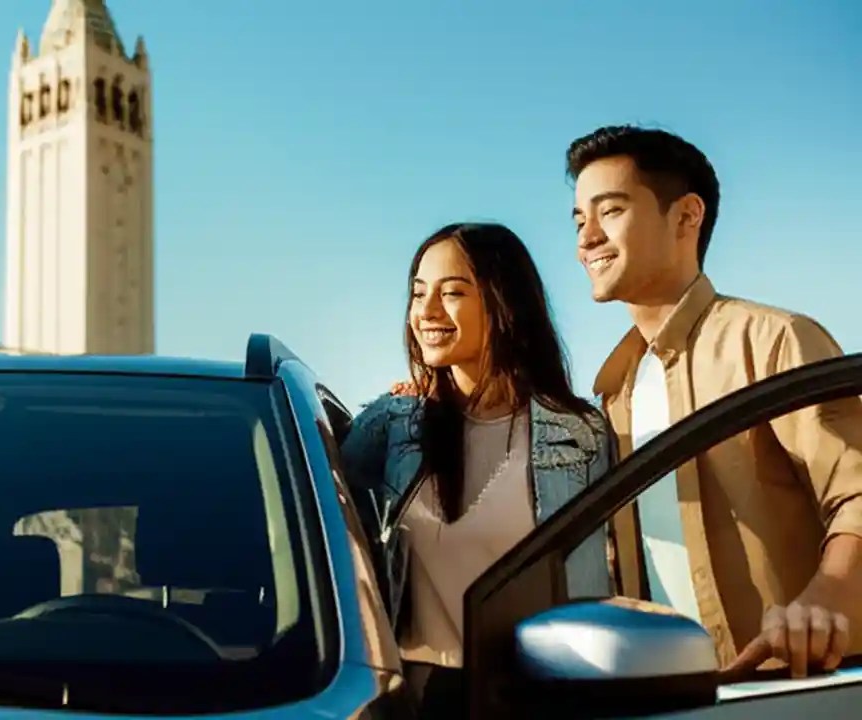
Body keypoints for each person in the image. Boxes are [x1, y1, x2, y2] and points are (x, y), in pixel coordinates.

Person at [568, 124, 862, 679]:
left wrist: (822, 602)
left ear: (686, 216)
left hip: (798, 690)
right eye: (579, 219)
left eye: (609, 211)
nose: (585, 239)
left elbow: (857, 494)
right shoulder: (613, 393)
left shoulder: (775, 341)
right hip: (668, 694)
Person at [339, 222, 616, 706]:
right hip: (418, 697)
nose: (425, 313)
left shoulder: (580, 434)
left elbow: (613, 573)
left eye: (452, 293)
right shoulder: (391, 426)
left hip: (546, 696)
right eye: (418, 293)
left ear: (504, 302)